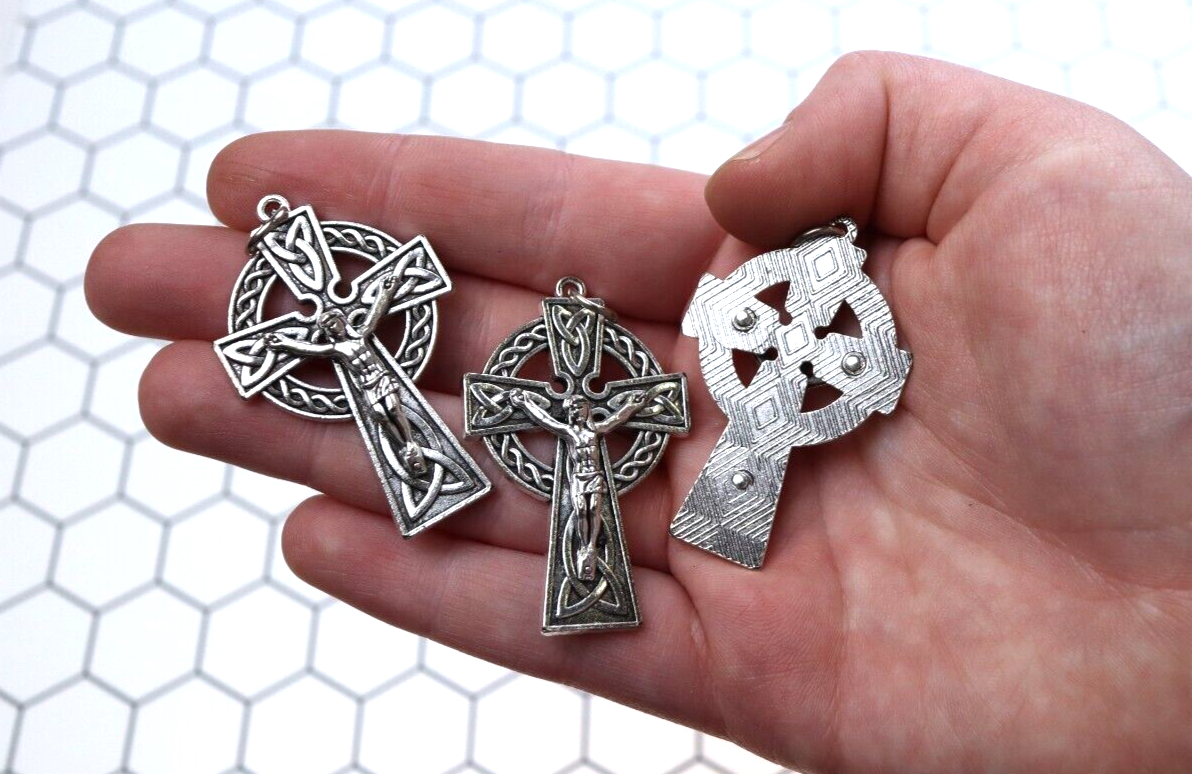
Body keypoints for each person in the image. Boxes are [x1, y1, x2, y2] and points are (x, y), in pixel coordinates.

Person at [86, 53, 1192, 773]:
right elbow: (582, 377)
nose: (798, 336)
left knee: (667, 428)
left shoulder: (773, 343)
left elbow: (731, 376)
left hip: (708, 426)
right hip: (576, 420)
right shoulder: (698, 337)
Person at [261, 273, 429, 476]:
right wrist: (285, 343)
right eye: (329, 327)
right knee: (380, 415)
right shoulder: (335, 349)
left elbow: (375, 313)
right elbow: (309, 349)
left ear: (342, 321)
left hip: (381, 378)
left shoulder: (360, 335)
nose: (333, 328)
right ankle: (403, 448)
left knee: (394, 409)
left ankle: (411, 443)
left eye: (335, 323)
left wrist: (386, 291)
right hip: (367, 385)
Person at [507, 389, 651, 581]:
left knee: (594, 509)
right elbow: (544, 419)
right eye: (574, 409)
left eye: (581, 408)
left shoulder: (596, 431)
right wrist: (525, 403)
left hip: (595, 475)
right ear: (570, 412)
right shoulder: (568, 432)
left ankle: (591, 546)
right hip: (579, 477)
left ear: (587, 410)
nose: (578, 412)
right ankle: (583, 545)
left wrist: (632, 405)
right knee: (581, 511)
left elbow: (617, 418)